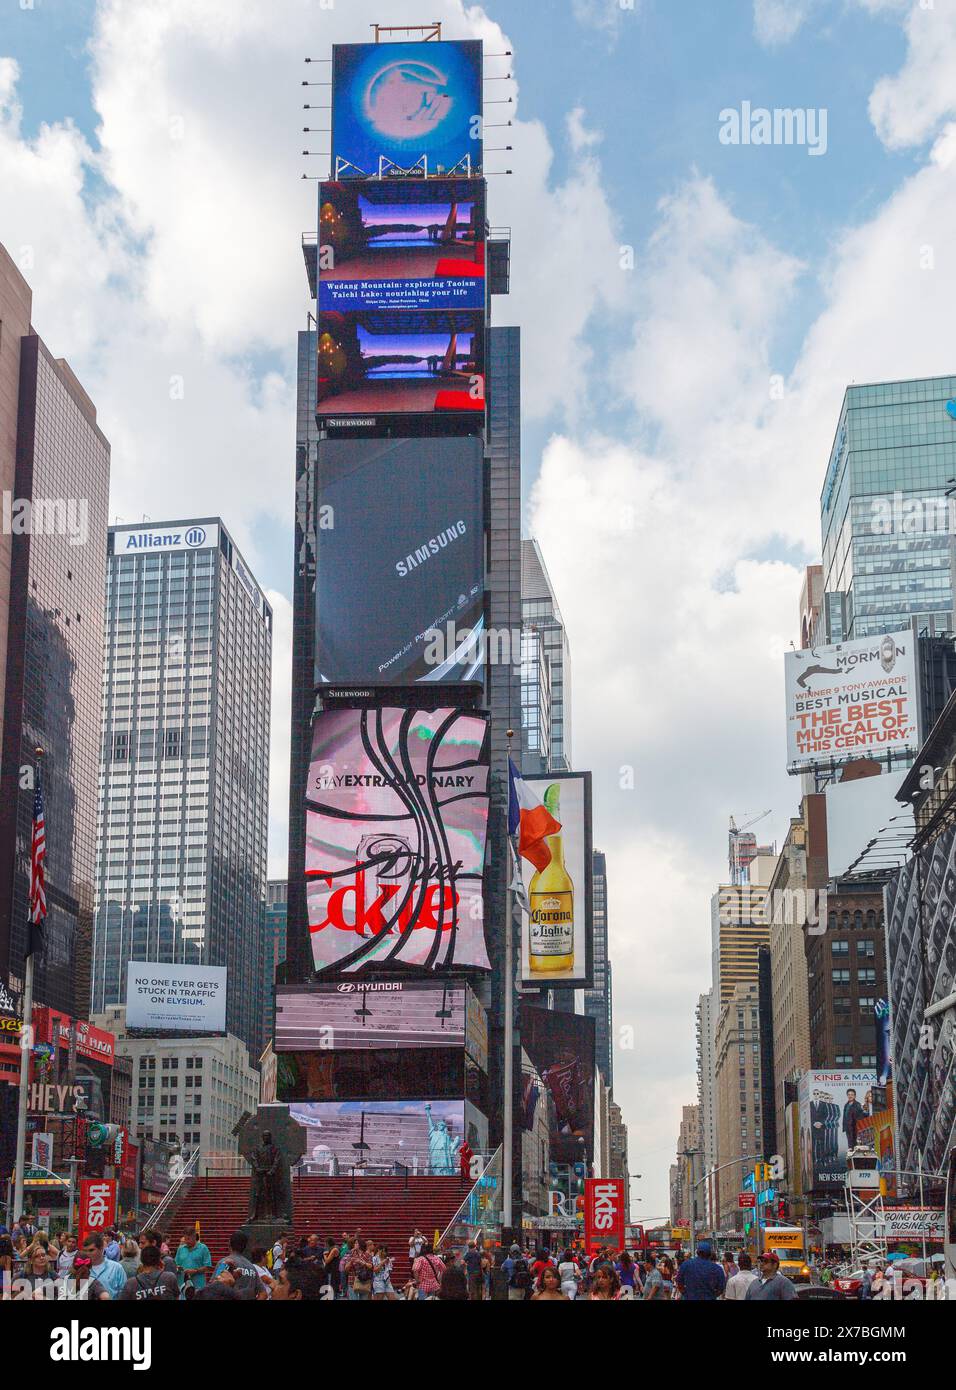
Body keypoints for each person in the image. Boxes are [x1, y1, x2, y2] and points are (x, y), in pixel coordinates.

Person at [212, 1230, 265, 1299]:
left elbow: (213, 1286)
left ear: (229, 1244)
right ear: (245, 1246)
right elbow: (263, 1293)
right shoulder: (251, 1267)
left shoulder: (224, 1263)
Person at [83, 1232, 127, 1300]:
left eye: (91, 1250)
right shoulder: (81, 1269)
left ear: (101, 1249)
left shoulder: (116, 1268)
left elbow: (124, 1294)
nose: (87, 1254)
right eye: (85, 1251)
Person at [175, 1229, 212, 1294]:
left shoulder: (203, 1248)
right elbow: (175, 1264)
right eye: (185, 1239)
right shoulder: (181, 1248)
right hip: (182, 1286)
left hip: (198, 1285)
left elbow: (208, 1266)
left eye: (188, 1239)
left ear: (194, 1237)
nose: (186, 1241)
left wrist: (195, 1271)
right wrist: (179, 1268)